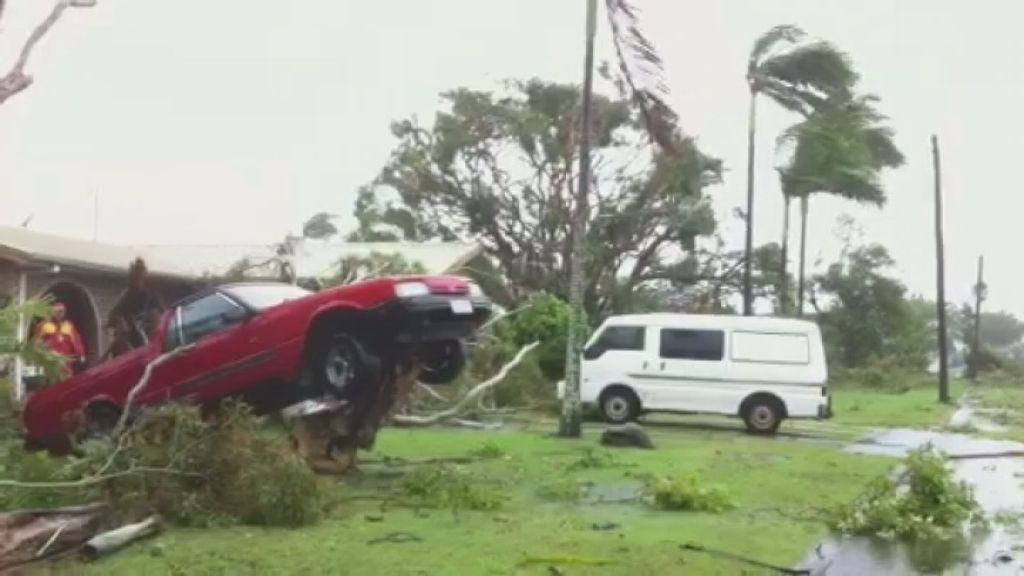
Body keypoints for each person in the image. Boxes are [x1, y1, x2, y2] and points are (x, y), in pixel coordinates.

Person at [34, 302, 86, 379]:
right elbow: (37, 343)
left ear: (64, 313)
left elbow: (77, 341)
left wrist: (81, 354)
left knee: (66, 381)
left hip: (65, 363)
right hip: (50, 362)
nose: (59, 314)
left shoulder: (69, 326)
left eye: (61, 312)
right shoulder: (44, 325)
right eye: (57, 311)